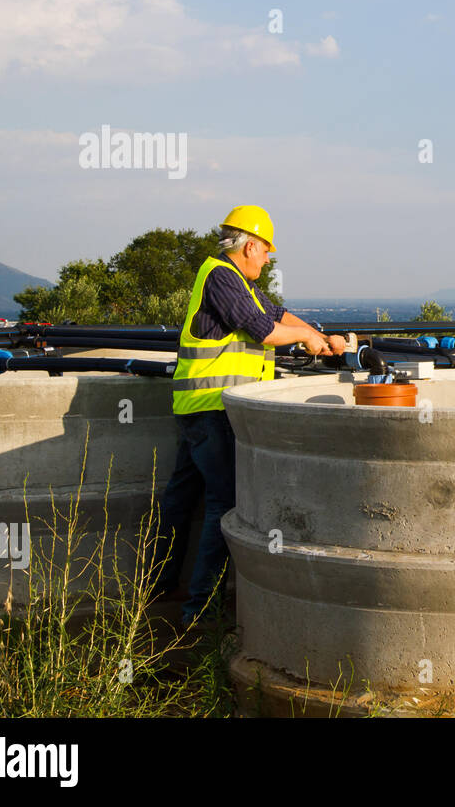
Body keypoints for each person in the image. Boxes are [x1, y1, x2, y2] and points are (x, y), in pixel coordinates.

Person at [153, 205, 345, 625]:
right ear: (250, 245)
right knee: (225, 505)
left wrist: (318, 335)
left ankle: (159, 588)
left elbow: (277, 313)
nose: (267, 258)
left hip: (201, 407)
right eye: (265, 251)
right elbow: (265, 330)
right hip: (212, 409)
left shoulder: (239, 280)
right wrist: (304, 338)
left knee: (180, 499)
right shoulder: (221, 276)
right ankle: (199, 612)